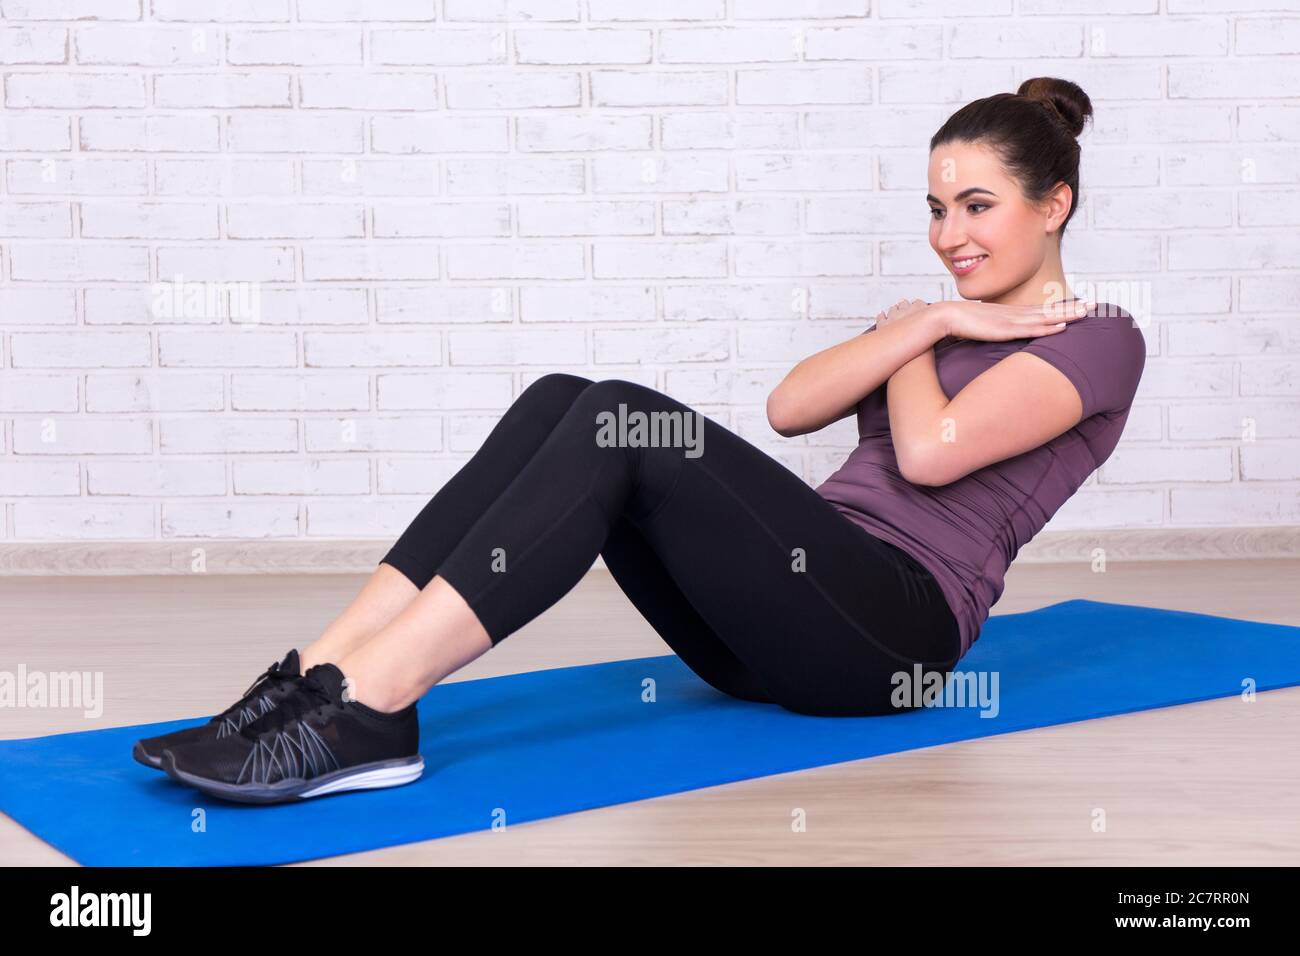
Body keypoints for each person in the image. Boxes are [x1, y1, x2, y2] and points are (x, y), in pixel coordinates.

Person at [136, 76, 1146, 804]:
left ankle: (372, 708)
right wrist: (924, 325)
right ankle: (316, 678)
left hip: (891, 640)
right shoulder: (947, 323)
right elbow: (789, 407)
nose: (947, 234)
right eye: (935, 208)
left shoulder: (1099, 339)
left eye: (976, 206)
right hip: (787, 615)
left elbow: (929, 454)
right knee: (563, 397)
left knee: (623, 416)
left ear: (1051, 205)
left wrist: (915, 329)